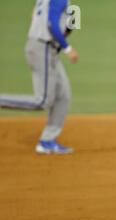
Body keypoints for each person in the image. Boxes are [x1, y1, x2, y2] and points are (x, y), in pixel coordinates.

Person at [0, 0, 79, 154]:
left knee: (63, 95)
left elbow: (67, 26)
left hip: (48, 50)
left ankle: (47, 141)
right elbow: (51, 24)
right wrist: (67, 48)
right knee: (43, 100)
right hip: (42, 48)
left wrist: (73, 12)